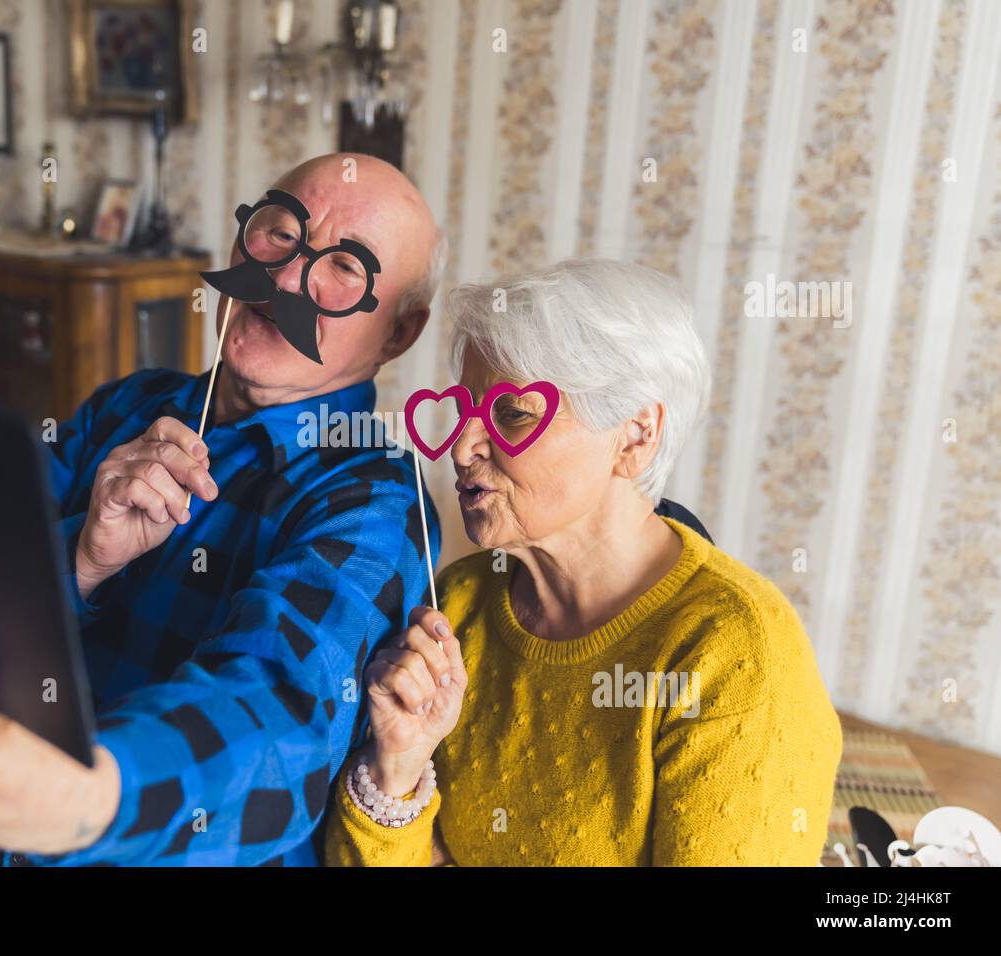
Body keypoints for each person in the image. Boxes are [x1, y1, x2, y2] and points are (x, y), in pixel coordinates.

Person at [0, 153, 447, 865]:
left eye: (346, 267)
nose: (287, 277)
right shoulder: (128, 403)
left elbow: (278, 722)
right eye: (281, 229)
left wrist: (79, 800)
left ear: (401, 333)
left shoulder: (378, 501)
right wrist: (81, 560)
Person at [324, 259, 843, 866]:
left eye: (511, 414)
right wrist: (400, 766)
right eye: (462, 410)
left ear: (634, 436)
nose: (462, 448)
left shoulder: (737, 654)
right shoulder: (455, 604)